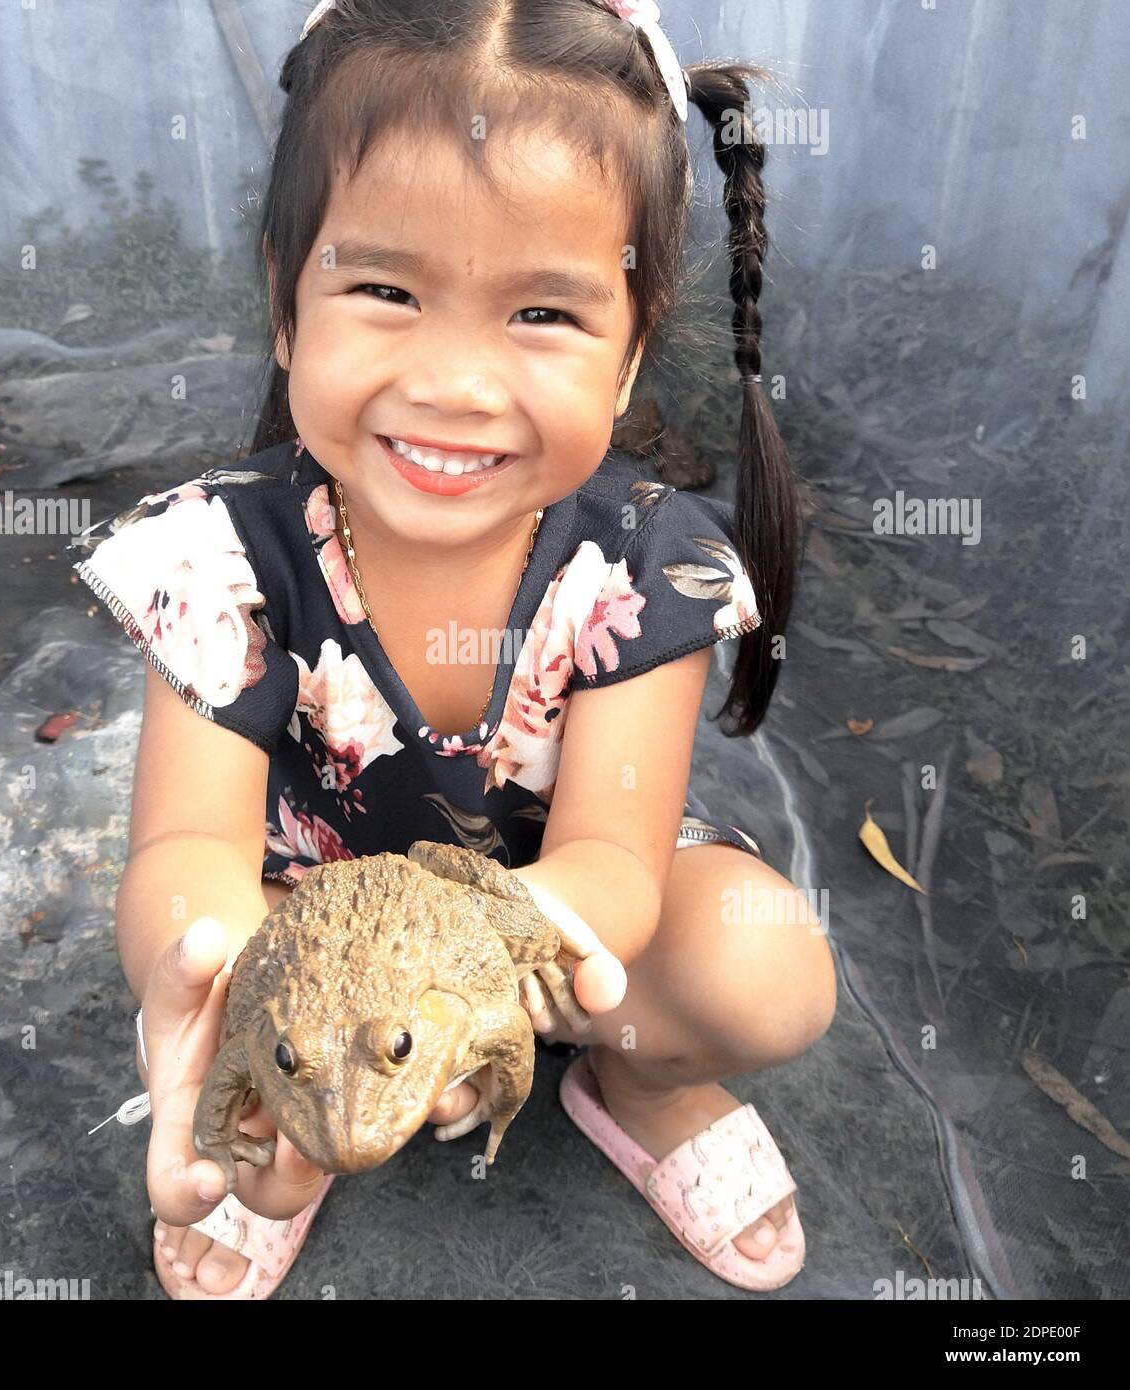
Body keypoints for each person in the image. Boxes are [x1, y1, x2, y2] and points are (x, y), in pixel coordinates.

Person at [71, 0, 835, 1299]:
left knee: (765, 964)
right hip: (303, 939)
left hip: (544, 940)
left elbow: (610, 860)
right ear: (284, 297)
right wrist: (239, 1008)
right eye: (385, 289)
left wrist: (447, 966)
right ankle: (294, 1123)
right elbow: (187, 850)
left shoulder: (637, 566)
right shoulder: (219, 559)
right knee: (253, 983)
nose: (457, 381)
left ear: (634, 346)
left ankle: (641, 1082)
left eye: (542, 313)